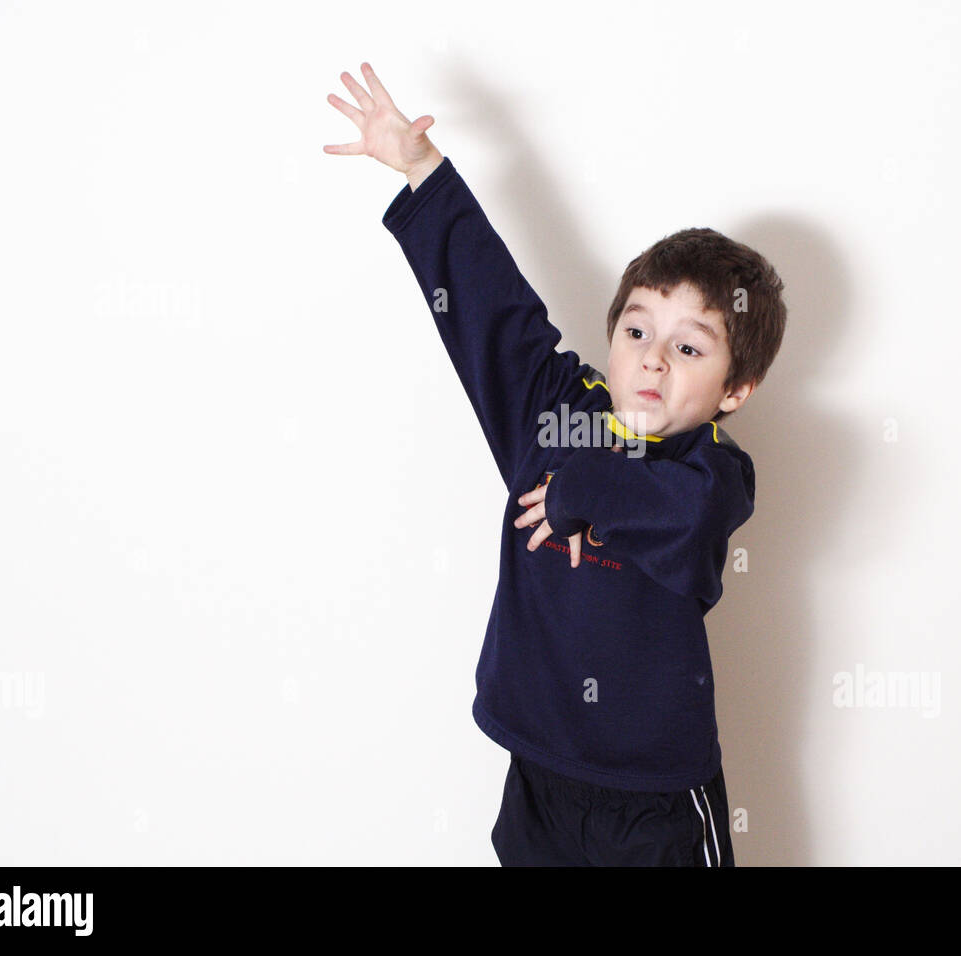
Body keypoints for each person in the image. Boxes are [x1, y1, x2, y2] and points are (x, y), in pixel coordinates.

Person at [324, 63, 786, 866]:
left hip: (658, 800)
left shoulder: (712, 469)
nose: (652, 360)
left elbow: (690, 514)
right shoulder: (555, 414)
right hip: (538, 775)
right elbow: (493, 307)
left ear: (735, 389)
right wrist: (421, 171)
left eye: (689, 347)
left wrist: (582, 488)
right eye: (638, 331)